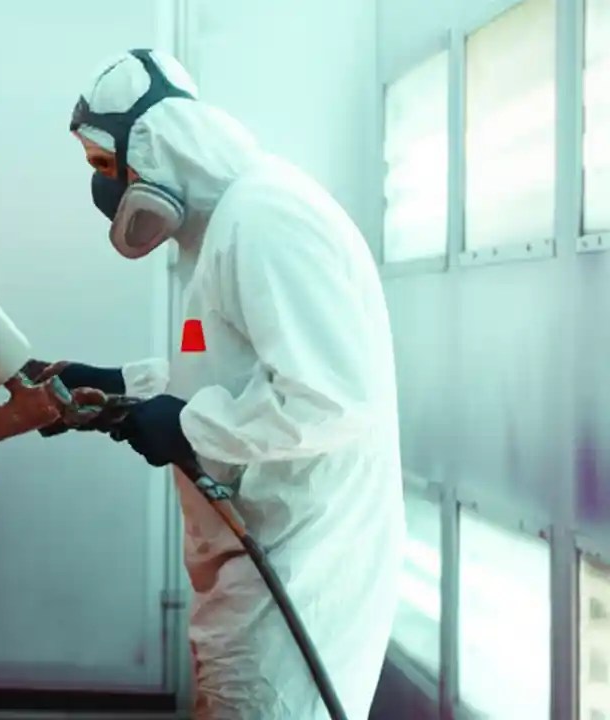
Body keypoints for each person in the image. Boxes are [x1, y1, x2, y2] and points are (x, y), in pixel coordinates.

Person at [33, 49, 405, 719]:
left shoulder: (267, 220)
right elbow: (219, 366)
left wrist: (186, 425)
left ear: (154, 143)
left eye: (104, 165)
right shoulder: (214, 233)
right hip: (256, 557)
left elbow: (331, 397)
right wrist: (120, 386)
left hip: (299, 569)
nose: (103, 189)